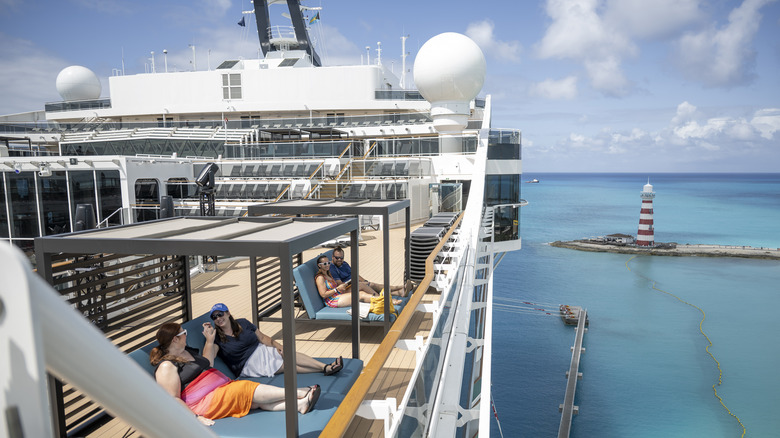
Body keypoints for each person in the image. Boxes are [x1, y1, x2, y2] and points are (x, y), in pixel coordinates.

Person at [150, 322, 319, 426]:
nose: (186, 334)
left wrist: (209, 340)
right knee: (244, 388)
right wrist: (195, 418)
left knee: (254, 403)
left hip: (221, 391)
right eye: (183, 333)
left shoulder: (188, 352)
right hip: (202, 404)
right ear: (175, 339)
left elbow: (208, 363)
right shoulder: (166, 366)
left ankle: (300, 405)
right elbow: (172, 398)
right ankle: (300, 392)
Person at [208, 303, 343, 377]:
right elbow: (209, 359)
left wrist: (280, 347)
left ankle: (324, 367)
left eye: (220, 314)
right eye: (214, 317)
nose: (218, 318)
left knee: (287, 354)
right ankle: (324, 368)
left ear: (228, 313)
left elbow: (262, 337)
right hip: (248, 364)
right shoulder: (217, 339)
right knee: (285, 366)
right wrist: (209, 339)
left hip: (261, 350)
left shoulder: (242, 323)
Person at [329, 246, 409, 297]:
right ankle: (383, 297)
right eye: (337, 258)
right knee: (369, 285)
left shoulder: (344, 263)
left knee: (370, 284)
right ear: (332, 257)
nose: (339, 260)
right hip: (346, 288)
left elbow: (354, 274)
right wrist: (361, 283)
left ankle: (399, 291)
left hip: (354, 284)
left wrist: (365, 281)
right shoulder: (332, 268)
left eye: (341, 258)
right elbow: (340, 284)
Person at [314, 254, 380, 308]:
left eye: (328, 263)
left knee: (361, 286)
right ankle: (382, 302)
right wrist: (336, 289)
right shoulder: (320, 278)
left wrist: (344, 285)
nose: (327, 265)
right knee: (361, 295)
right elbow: (323, 295)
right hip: (332, 300)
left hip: (338, 293)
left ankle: (380, 298)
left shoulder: (328, 274)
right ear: (319, 265)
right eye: (325, 264)